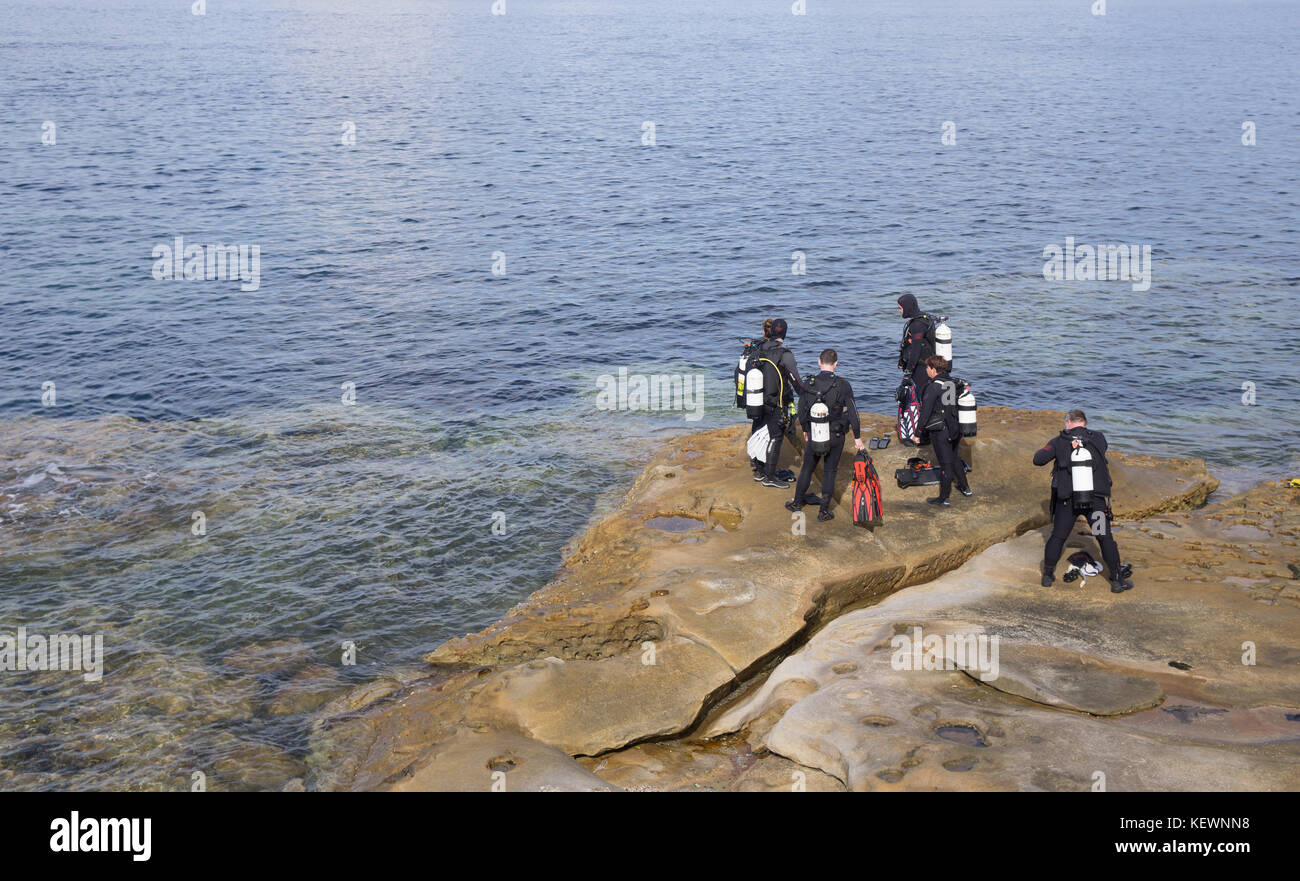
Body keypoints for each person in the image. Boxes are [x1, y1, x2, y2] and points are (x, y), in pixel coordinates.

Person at [1033, 409, 1134, 594]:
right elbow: (1101, 450)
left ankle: (1047, 576)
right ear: (1084, 422)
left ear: (1068, 422)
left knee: (1058, 537)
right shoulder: (1098, 438)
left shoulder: (1058, 441)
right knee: (1105, 539)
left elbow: (1038, 460)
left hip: (1067, 503)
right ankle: (1117, 581)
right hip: (1095, 501)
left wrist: (1058, 447)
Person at [785, 349, 863, 521]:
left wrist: (805, 429)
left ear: (819, 362)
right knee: (830, 471)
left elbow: (802, 411)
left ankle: (796, 503)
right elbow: (853, 413)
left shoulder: (809, 384)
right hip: (836, 435)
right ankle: (824, 511)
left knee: (808, 467)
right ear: (836, 364)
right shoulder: (843, 385)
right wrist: (857, 438)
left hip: (815, 433)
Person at [752, 318, 804, 488]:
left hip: (758, 400)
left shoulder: (758, 349)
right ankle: (769, 476)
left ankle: (759, 470)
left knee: (761, 433)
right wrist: (806, 396)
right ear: (785, 333)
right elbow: (796, 380)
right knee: (776, 437)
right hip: (775, 403)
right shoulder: (785, 354)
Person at [912, 355, 970, 506]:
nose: (926, 370)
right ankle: (965, 487)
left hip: (941, 430)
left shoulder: (933, 386)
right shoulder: (951, 382)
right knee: (954, 457)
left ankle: (944, 498)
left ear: (934, 369)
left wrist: (917, 434)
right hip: (955, 427)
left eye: (927, 368)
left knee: (945, 464)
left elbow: (925, 412)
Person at [896, 294, 935, 397]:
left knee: (921, 397)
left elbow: (915, 351)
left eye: (900, 308)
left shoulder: (917, 325)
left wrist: (908, 373)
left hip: (922, 369)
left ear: (907, 307)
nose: (898, 311)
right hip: (925, 366)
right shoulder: (923, 319)